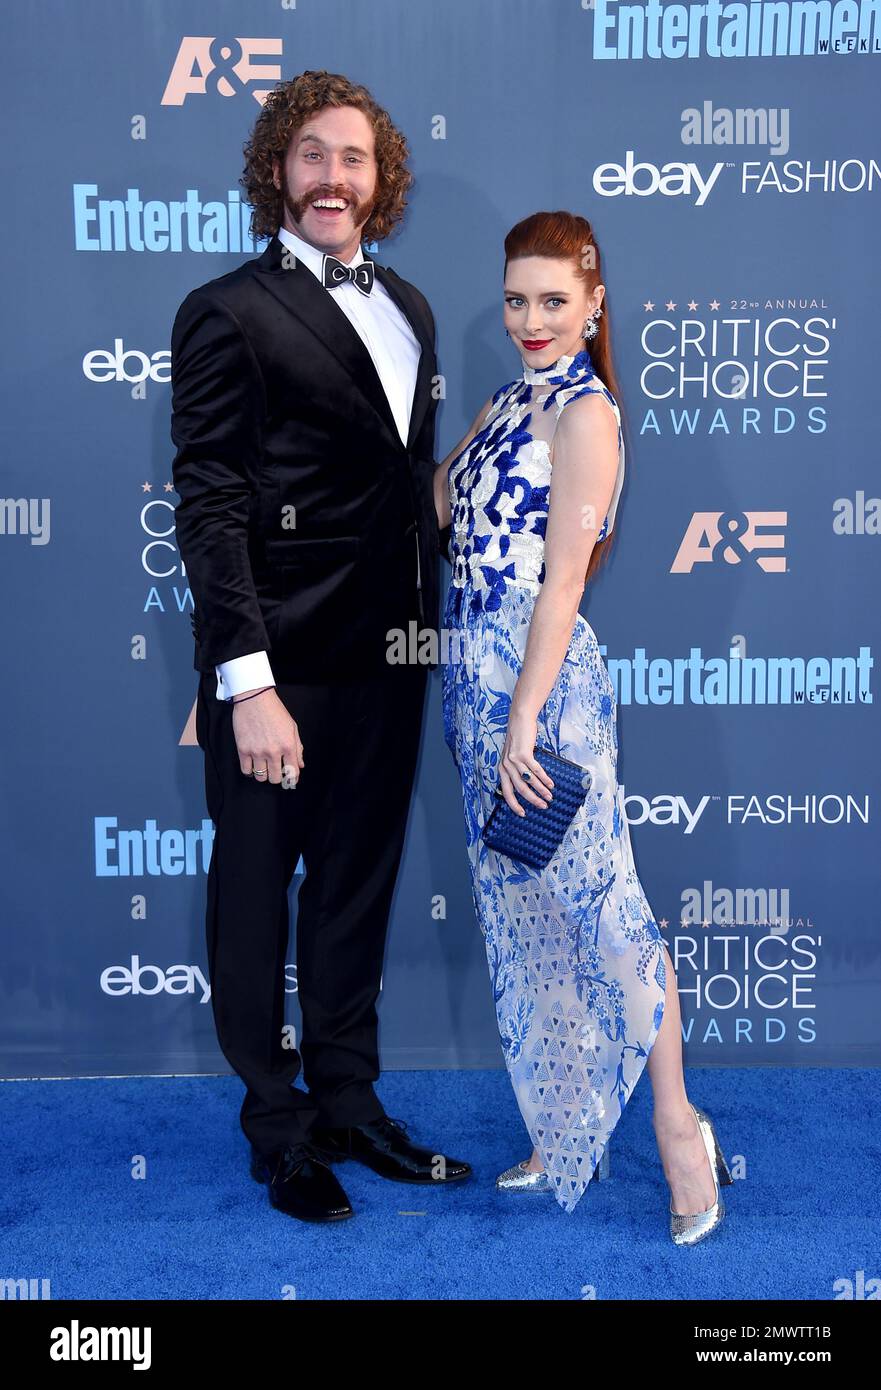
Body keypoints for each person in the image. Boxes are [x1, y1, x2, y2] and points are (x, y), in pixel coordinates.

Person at [170, 69, 471, 1224]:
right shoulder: (226, 310)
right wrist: (243, 681)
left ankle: (349, 1102)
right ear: (276, 174)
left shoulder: (411, 306)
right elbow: (209, 504)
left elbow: (405, 485)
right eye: (310, 156)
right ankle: (277, 1130)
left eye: (352, 158)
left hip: (390, 657)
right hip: (279, 671)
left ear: (379, 178)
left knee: (354, 893)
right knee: (254, 899)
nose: (332, 177)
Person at [434, 211, 733, 1244]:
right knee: (530, 921)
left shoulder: (587, 416)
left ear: (593, 303)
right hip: (471, 683)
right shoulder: (512, 397)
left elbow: (561, 583)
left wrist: (522, 722)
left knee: (606, 915)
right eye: (515, 299)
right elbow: (437, 509)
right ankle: (563, 1133)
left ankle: (676, 1128)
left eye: (552, 301)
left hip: (541, 694)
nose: (529, 319)